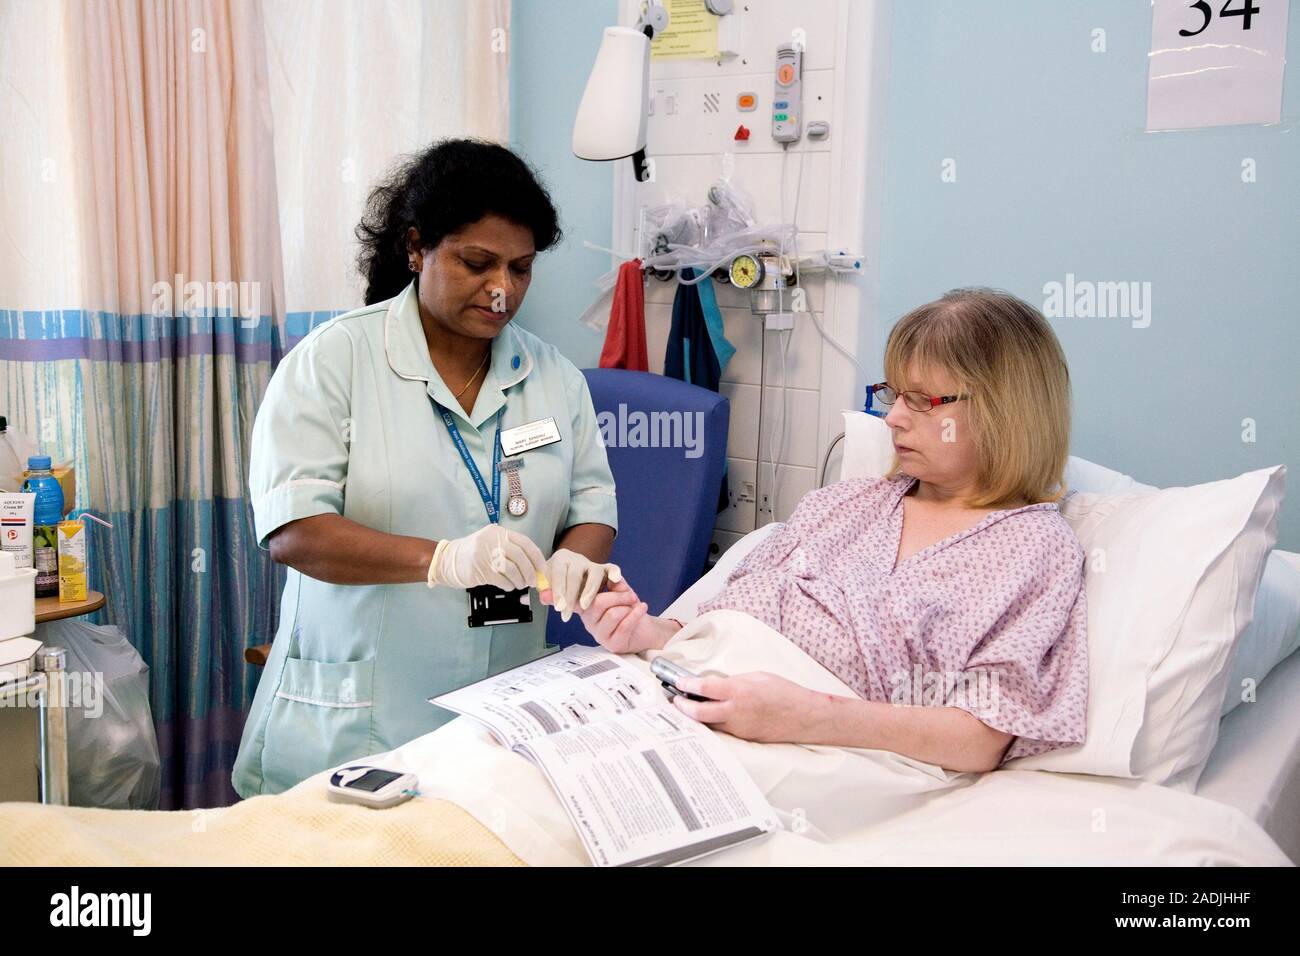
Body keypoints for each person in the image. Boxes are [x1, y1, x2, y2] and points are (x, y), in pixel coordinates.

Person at [233, 140, 620, 796]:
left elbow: (591, 509)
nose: (501, 290)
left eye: (521, 269)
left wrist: (575, 563)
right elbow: (294, 532)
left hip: (498, 726)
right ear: (416, 248)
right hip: (358, 726)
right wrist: (443, 560)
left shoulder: (553, 378)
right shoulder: (334, 362)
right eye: (478, 263)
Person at [573, 288, 1088, 773]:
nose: (893, 418)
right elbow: (723, 621)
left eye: (922, 400)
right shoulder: (840, 503)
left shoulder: (1033, 548)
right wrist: (649, 633)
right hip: (689, 688)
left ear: (1003, 411)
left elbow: (981, 739)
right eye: (893, 395)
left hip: (817, 745)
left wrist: (806, 716)